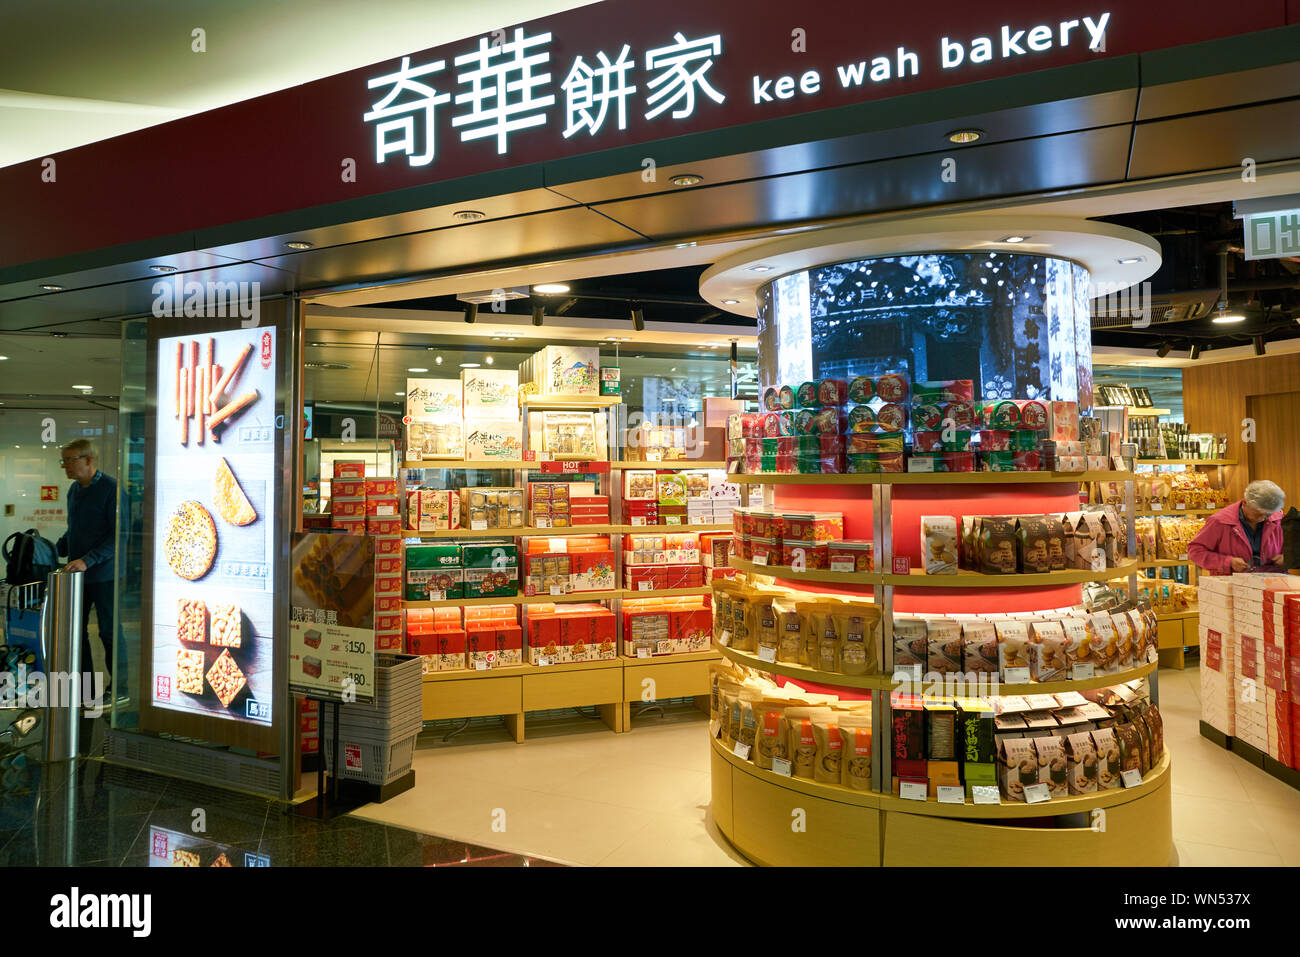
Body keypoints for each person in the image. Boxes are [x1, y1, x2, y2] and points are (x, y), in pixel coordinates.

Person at [55, 439, 118, 685]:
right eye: (64, 461)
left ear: (89, 459)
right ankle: (86, 687)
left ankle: (118, 688)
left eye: (70, 460)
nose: (65, 466)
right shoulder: (74, 490)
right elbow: (75, 530)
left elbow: (118, 536)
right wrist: (55, 547)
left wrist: (88, 560)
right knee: (76, 632)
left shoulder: (111, 489)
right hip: (77, 575)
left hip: (105, 575)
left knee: (109, 633)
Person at [1188, 479, 1286, 575]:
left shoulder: (1279, 518)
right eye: (1257, 514)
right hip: (1232, 585)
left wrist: (1289, 558)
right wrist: (1228, 562)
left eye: (1267, 515)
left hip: (1274, 582)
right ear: (1245, 503)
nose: (1262, 519)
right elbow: (1195, 551)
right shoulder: (1219, 521)